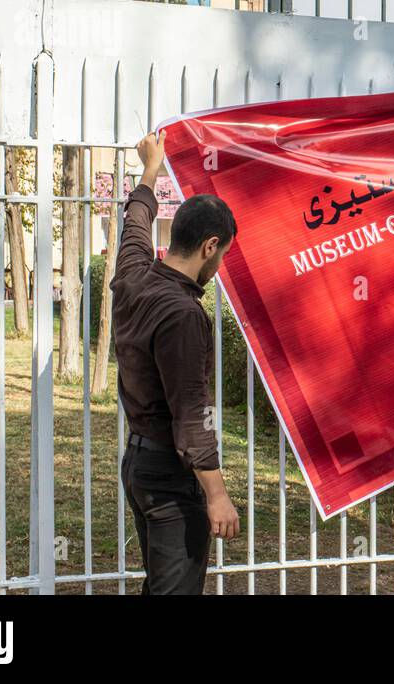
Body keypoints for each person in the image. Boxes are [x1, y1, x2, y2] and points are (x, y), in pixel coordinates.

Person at [113, 131, 241, 594]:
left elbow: (135, 225)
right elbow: (191, 414)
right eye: (222, 255)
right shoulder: (184, 315)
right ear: (210, 246)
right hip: (168, 475)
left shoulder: (133, 277)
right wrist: (217, 494)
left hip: (138, 465)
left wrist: (150, 169)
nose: (219, 266)